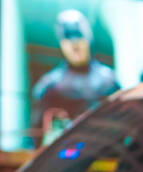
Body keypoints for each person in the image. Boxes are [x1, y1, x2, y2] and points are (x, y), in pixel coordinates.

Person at [30, 10, 120, 143]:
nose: (74, 46)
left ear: (88, 39)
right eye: (68, 40)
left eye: (79, 38)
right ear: (62, 44)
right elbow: (36, 136)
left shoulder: (109, 80)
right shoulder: (49, 85)